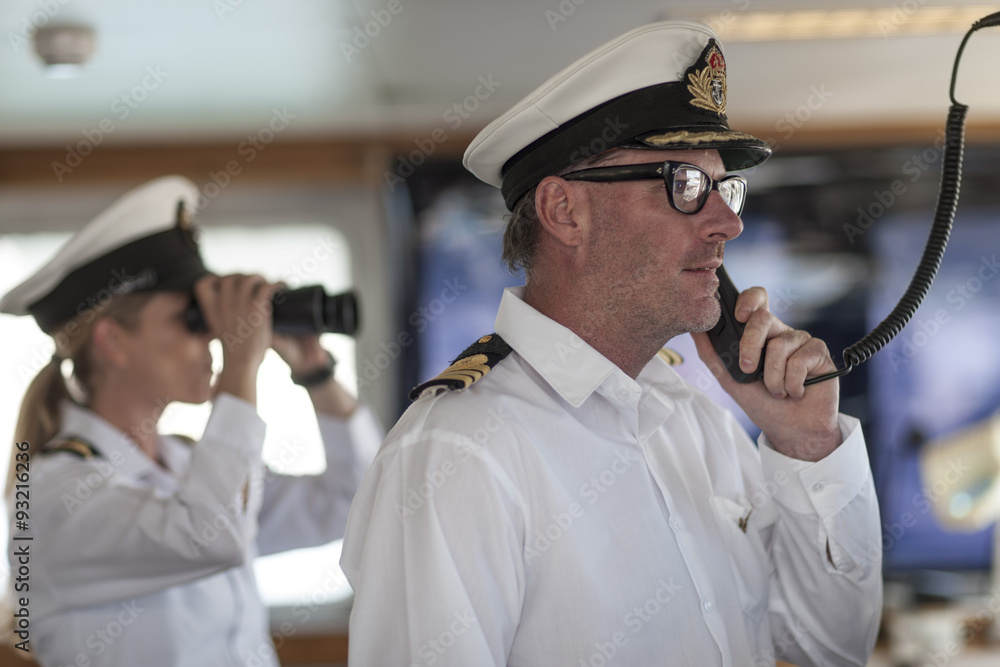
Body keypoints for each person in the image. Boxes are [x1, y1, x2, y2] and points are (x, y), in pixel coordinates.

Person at [341, 21, 882, 666]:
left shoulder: (696, 422)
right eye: (685, 184)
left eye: (724, 187)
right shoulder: (457, 452)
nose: (729, 223)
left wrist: (807, 445)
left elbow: (833, 648)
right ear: (565, 211)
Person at [1, 176, 382, 667]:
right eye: (194, 321)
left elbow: (351, 501)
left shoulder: (184, 465)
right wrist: (242, 365)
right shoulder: (54, 494)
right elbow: (210, 536)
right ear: (114, 341)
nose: (212, 342)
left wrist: (315, 371)